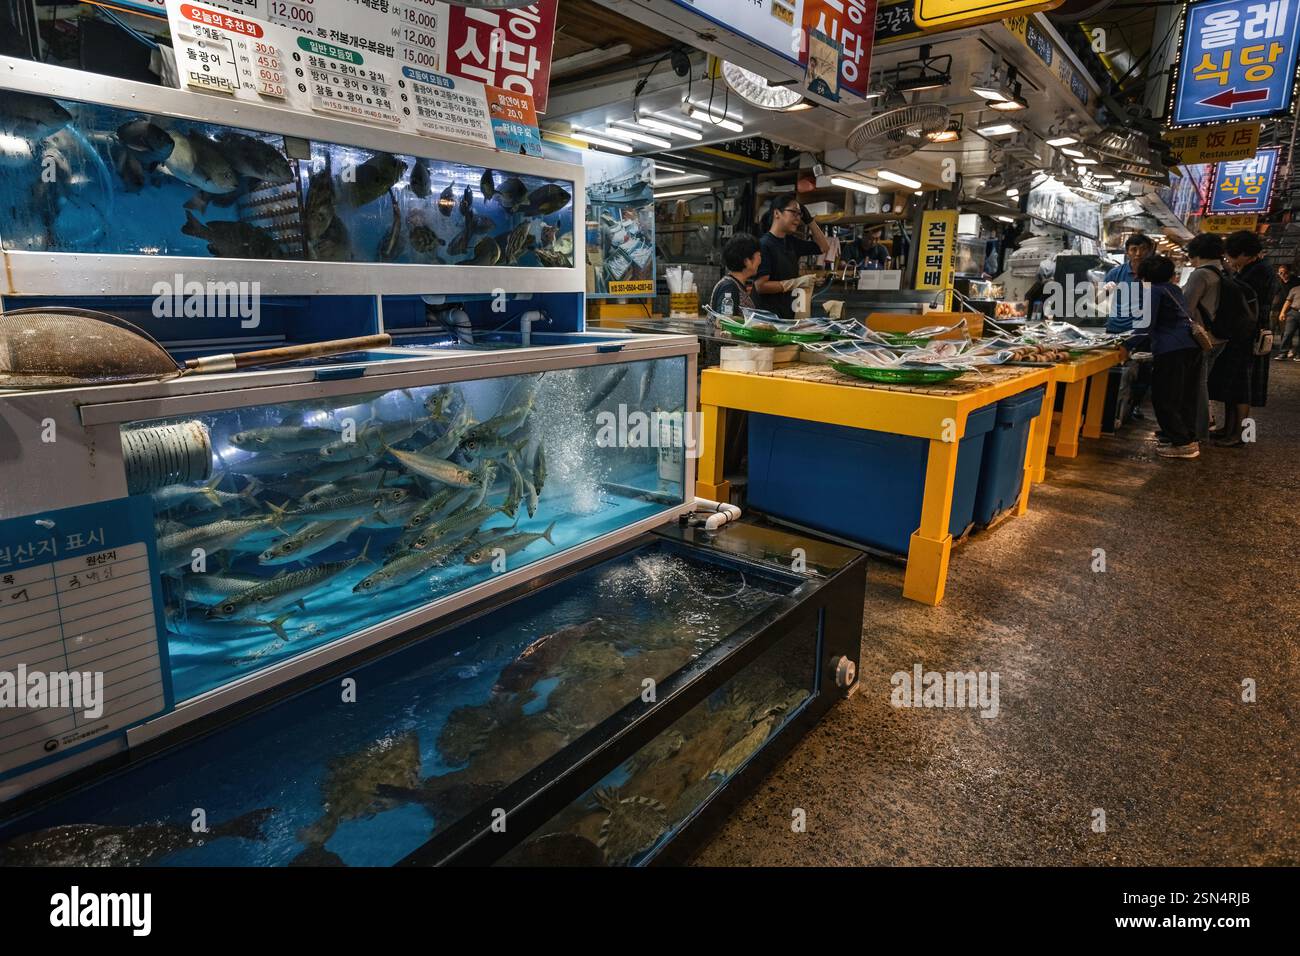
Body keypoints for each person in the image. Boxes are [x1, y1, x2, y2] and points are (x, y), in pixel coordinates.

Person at [1135, 255, 1202, 458]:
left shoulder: (1153, 292)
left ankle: (1183, 443)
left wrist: (1125, 345)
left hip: (1171, 350)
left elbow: (1145, 325)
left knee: (1165, 397)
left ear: (1145, 276)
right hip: (1190, 347)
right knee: (1182, 396)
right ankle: (1185, 435)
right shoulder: (1173, 289)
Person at [1224, 229, 1277, 414]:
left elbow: (1241, 301)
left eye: (1232, 256)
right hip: (1249, 330)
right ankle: (1230, 430)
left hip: (1248, 333)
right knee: (1235, 385)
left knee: (1242, 386)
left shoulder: (1257, 272)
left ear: (1246, 254)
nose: (1230, 260)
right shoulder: (1258, 268)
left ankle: (1238, 434)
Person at [753, 195, 830, 320]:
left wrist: (810, 220)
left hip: (786, 314)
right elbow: (760, 286)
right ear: (777, 213)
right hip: (767, 317)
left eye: (800, 214)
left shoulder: (791, 242)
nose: (798, 218)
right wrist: (796, 282)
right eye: (794, 212)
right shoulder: (764, 245)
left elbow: (824, 247)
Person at [1181, 233, 1227, 441]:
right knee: (1202, 382)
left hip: (1202, 338)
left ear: (1196, 253)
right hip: (1219, 336)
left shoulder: (1200, 274)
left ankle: (1196, 433)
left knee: (1197, 385)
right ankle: (1198, 427)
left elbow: (1186, 308)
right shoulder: (1223, 271)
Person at [1105, 234, 1155, 419]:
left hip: (1142, 332)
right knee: (1114, 368)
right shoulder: (1115, 273)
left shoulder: (1153, 274)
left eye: (1143, 249)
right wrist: (1104, 290)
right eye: (1134, 249)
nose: (1138, 253)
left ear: (1149, 251)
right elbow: (1098, 300)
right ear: (1127, 252)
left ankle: (1134, 406)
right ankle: (1112, 407)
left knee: (1142, 372)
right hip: (1115, 329)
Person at [708, 233, 761, 317]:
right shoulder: (729, 287)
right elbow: (724, 321)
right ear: (747, 261)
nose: (760, 261)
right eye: (758, 256)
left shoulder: (735, 285)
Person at [1276, 280, 1300, 361]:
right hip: (1294, 312)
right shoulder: (1294, 289)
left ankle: (1299, 355)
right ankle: (1282, 353)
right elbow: (1288, 301)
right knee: (1287, 333)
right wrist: (1282, 313)